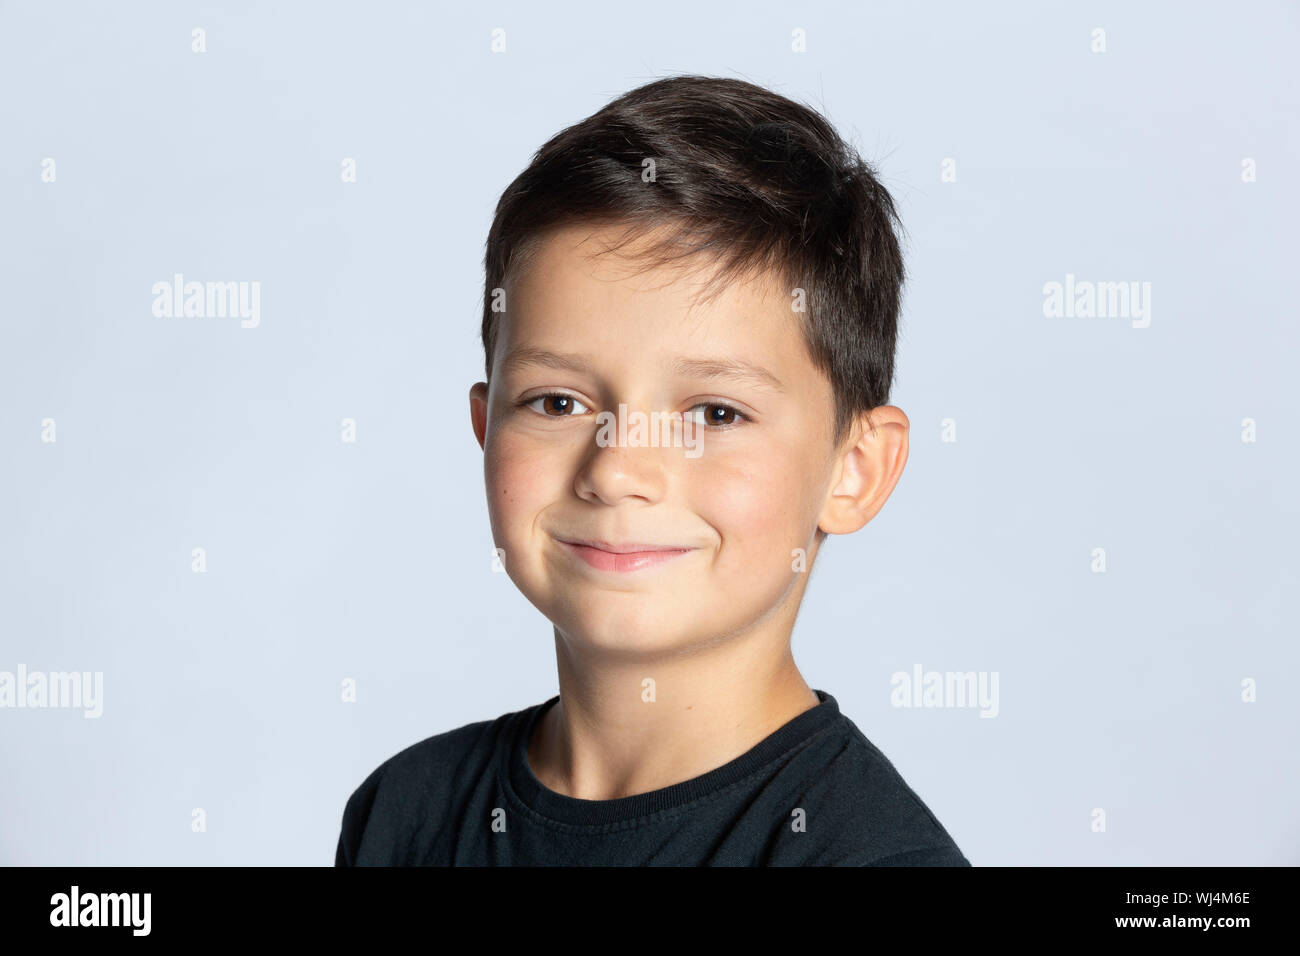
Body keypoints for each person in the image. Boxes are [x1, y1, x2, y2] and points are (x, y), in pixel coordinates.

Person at [335, 74, 970, 866]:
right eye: (557, 403)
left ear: (855, 469)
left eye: (713, 414)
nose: (617, 470)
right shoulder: (405, 814)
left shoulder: (864, 856)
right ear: (484, 426)